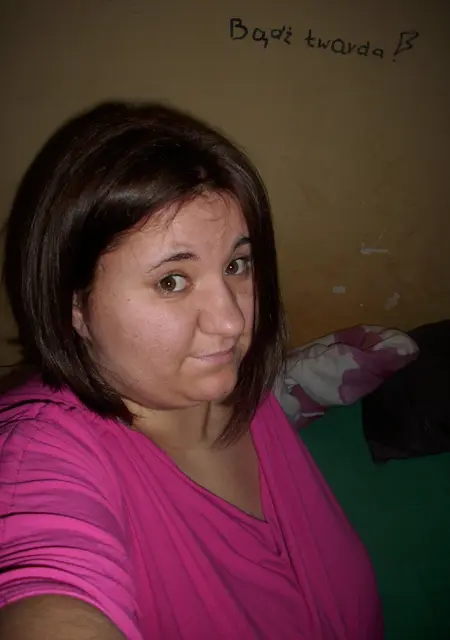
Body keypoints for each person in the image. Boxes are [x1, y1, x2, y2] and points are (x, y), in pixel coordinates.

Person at [0, 102, 383, 639]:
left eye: (236, 265)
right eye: (172, 281)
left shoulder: (242, 395)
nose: (231, 321)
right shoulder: (40, 452)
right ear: (76, 305)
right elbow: (48, 586)